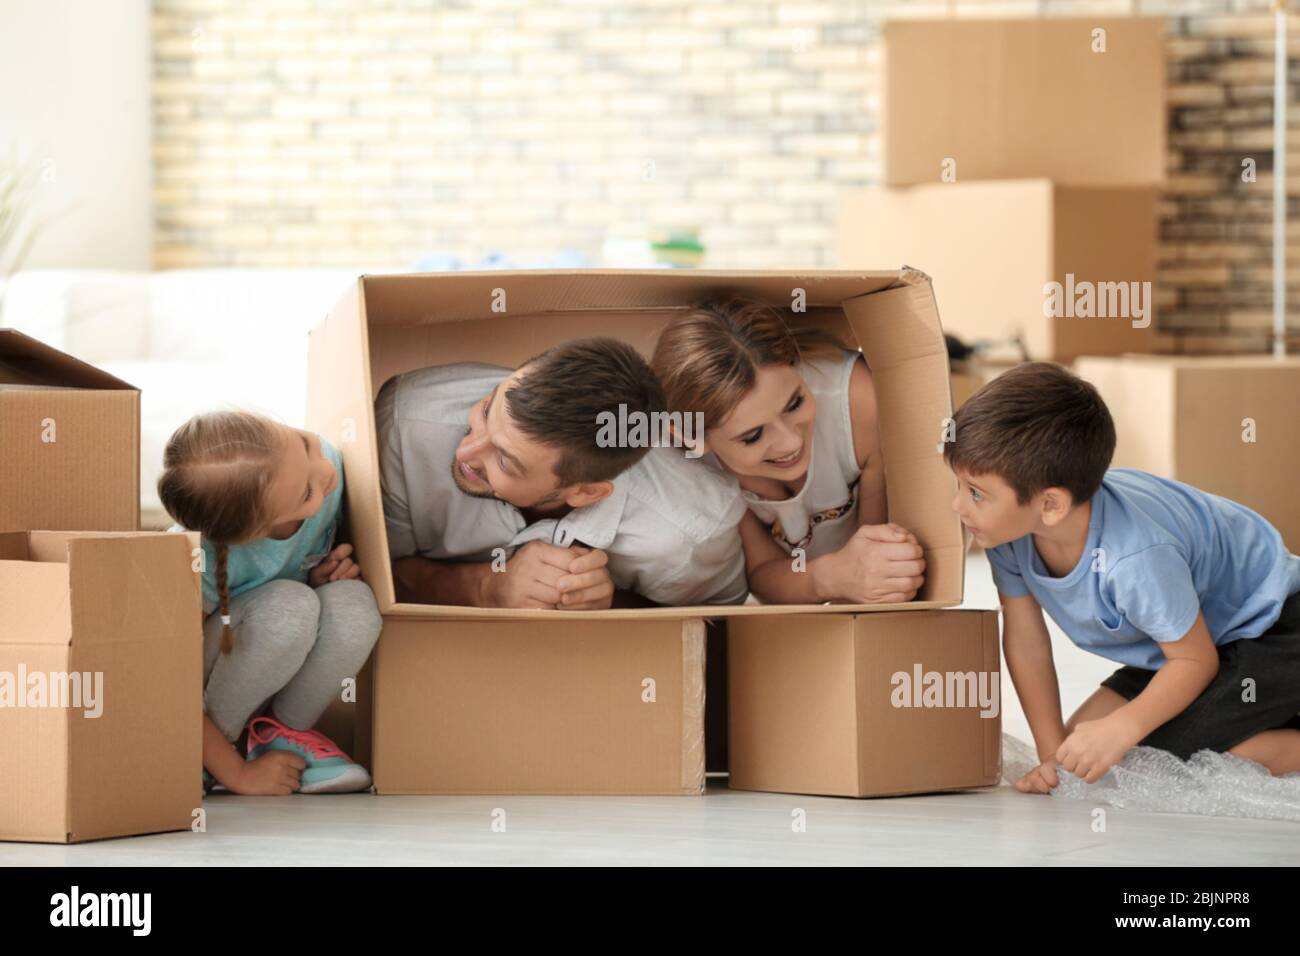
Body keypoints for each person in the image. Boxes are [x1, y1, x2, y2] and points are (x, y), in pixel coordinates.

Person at [943, 361, 1300, 789]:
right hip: (1191, 640)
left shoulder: (1134, 558)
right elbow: (1025, 640)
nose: (957, 507)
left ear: (1051, 505)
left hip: (1275, 628)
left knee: (1165, 758)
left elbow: (1194, 660)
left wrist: (1125, 726)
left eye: (976, 493)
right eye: (959, 485)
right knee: (1080, 751)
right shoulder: (1008, 534)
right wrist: (1051, 756)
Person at [376, 337, 749, 609]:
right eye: (487, 411)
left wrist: (609, 608)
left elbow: (720, 632)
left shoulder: (689, 532)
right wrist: (484, 587)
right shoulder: (407, 421)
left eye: (506, 462)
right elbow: (378, 578)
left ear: (586, 493)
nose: (466, 452)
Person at [159, 410, 382, 795]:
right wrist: (237, 774)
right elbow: (163, 683)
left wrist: (318, 577)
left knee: (354, 603)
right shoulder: (198, 559)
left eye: (304, 442)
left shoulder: (310, 467)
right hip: (197, 702)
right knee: (290, 605)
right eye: (307, 493)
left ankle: (280, 733)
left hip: (268, 654)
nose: (325, 469)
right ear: (252, 534)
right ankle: (210, 756)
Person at [651, 296, 925, 605]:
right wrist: (832, 576)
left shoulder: (858, 401)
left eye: (794, 403)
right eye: (752, 436)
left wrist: (874, 570)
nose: (791, 442)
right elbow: (763, 574)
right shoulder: (693, 466)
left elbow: (877, 540)